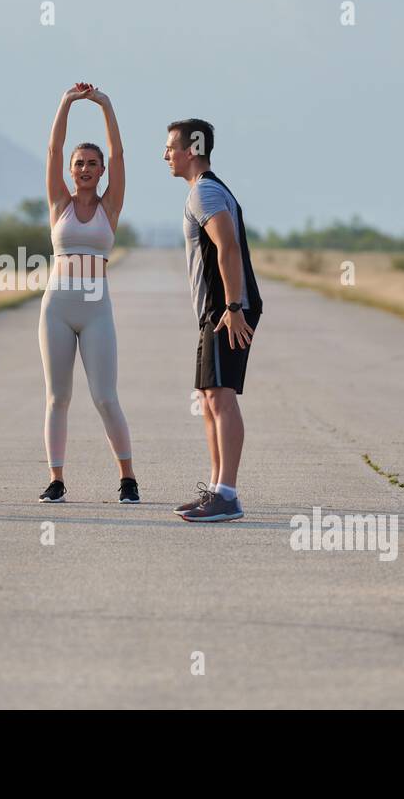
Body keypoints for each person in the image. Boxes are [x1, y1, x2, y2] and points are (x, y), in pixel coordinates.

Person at [37, 82, 139, 505]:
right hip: (57, 305)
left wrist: (105, 106)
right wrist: (64, 103)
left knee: (104, 396)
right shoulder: (59, 202)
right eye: (79, 163)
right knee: (58, 396)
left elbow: (119, 155)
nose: (83, 169)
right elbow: (52, 152)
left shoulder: (109, 206)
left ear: (100, 172)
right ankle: (57, 480)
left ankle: (128, 478)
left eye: (91, 164)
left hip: (96, 308)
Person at [166, 119, 263, 522]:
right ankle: (217, 487)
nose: (165, 154)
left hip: (226, 313)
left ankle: (228, 494)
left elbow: (228, 248)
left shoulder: (205, 191)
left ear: (193, 149)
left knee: (221, 397)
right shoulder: (206, 189)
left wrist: (234, 307)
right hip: (217, 312)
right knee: (208, 399)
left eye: (171, 146)